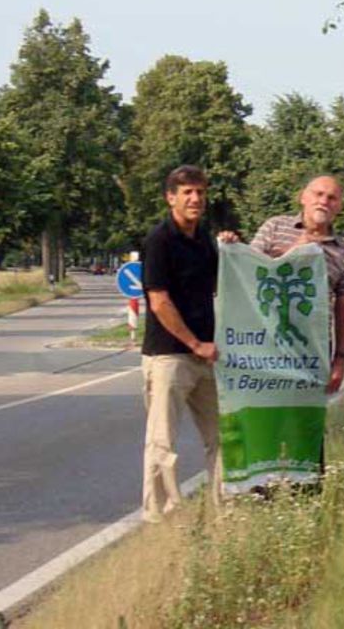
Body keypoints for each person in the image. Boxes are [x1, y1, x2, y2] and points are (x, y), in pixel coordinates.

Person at [141, 165, 221, 523]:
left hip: (206, 356)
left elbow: (220, 284)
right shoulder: (159, 240)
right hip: (168, 355)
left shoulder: (205, 238)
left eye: (200, 192)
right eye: (187, 192)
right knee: (162, 441)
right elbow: (159, 301)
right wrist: (193, 343)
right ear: (170, 198)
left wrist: (231, 247)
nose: (195, 198)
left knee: (222, 436)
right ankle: (159, 517)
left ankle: (224, 509)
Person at [247, 174, 344, 394]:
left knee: (305, 411)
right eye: (318, 194)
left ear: (339, 206)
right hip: (266, 345)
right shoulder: (274, 228)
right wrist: (293, 251)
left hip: (313, 350)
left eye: (332, 198)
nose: (324, 201)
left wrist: (340, 360)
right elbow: (247, 271)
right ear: (303, 197)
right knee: (264, 410)